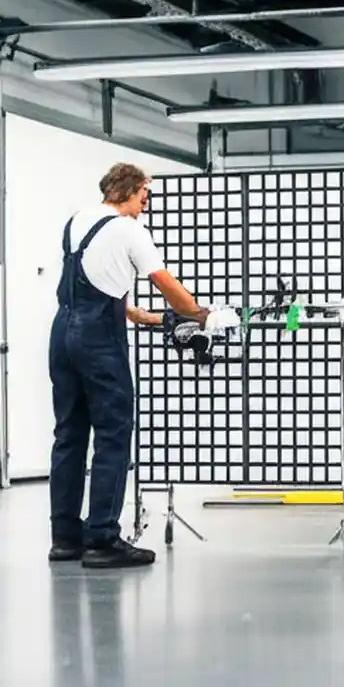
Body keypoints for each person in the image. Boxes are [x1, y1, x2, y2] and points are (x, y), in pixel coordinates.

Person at [47, 163, 227, 568]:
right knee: (113, 433)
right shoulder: (130, 229)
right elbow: (166, 284)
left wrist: (140, 316)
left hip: (63, 333)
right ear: (130, 188)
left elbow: (90, 284)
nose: (147, 201)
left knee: (69, 434)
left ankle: (65, 538)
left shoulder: (78, 220)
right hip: (98, 340)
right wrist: (202, 315)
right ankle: (103, 541)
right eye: (145, 192)